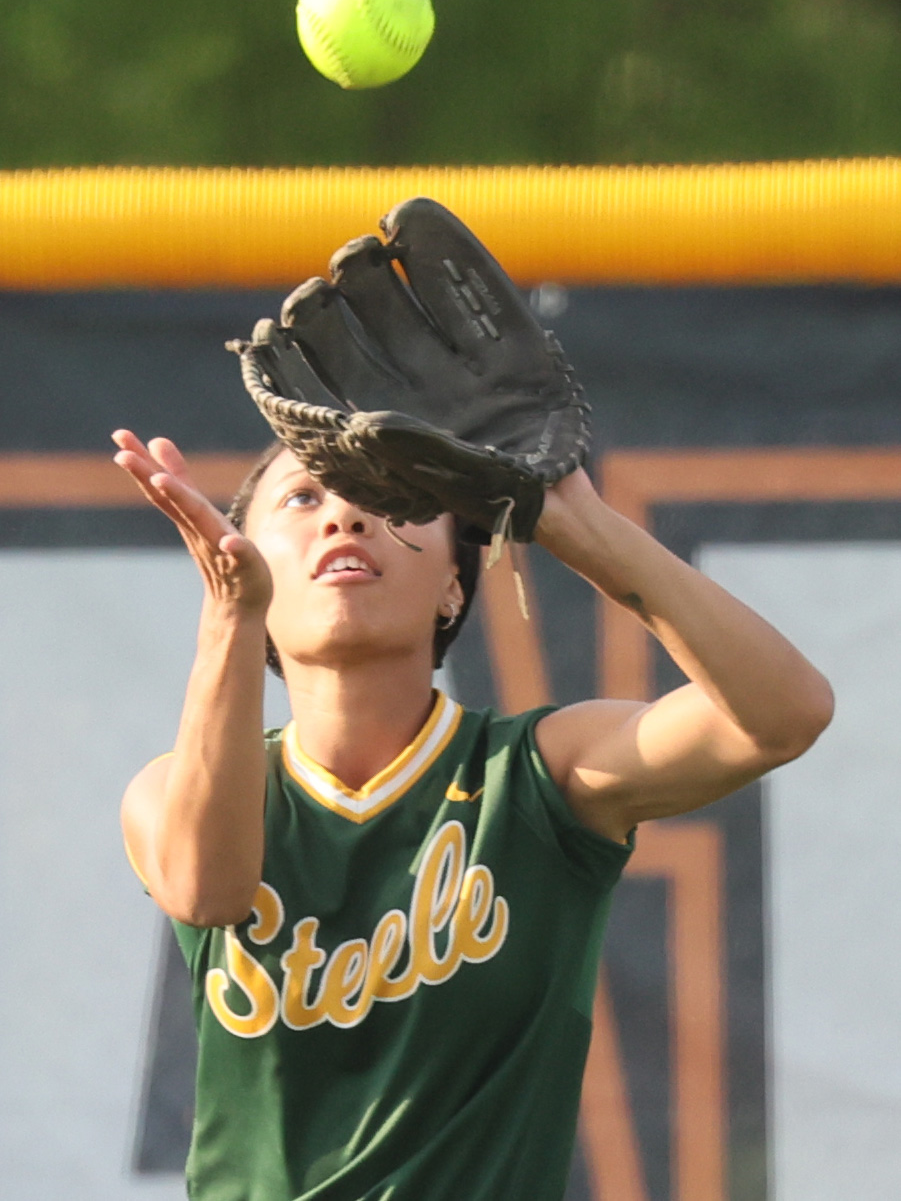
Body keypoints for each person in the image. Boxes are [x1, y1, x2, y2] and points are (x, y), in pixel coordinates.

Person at [114, 426, 833, 1201]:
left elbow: (782, 713)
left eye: (391, 502)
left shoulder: (538, 773)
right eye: (303, 496)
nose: (345, 518)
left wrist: (577, 523)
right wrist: (229, 616)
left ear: (456, 580)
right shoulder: (171, 789)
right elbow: (209, 891)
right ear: (242, 561)